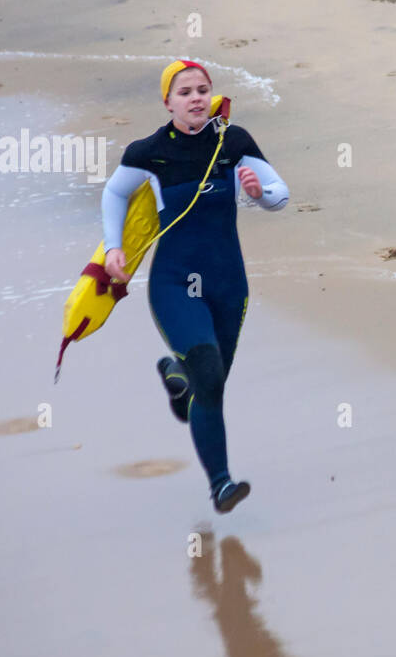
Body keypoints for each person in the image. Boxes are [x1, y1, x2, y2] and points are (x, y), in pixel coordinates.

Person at [101, 60, 289, 511]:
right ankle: (221, 485)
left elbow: (280, 194)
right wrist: (113, 247)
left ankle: (178, 380)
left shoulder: (234, 141)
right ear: (168, 102)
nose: (196, 98)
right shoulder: (148, 152)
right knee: (209, 375)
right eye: (184, 92)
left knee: (212, 385)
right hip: (175, 283)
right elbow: (114, 192)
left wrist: (259, 193)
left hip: (229, 286)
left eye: (203, 90)